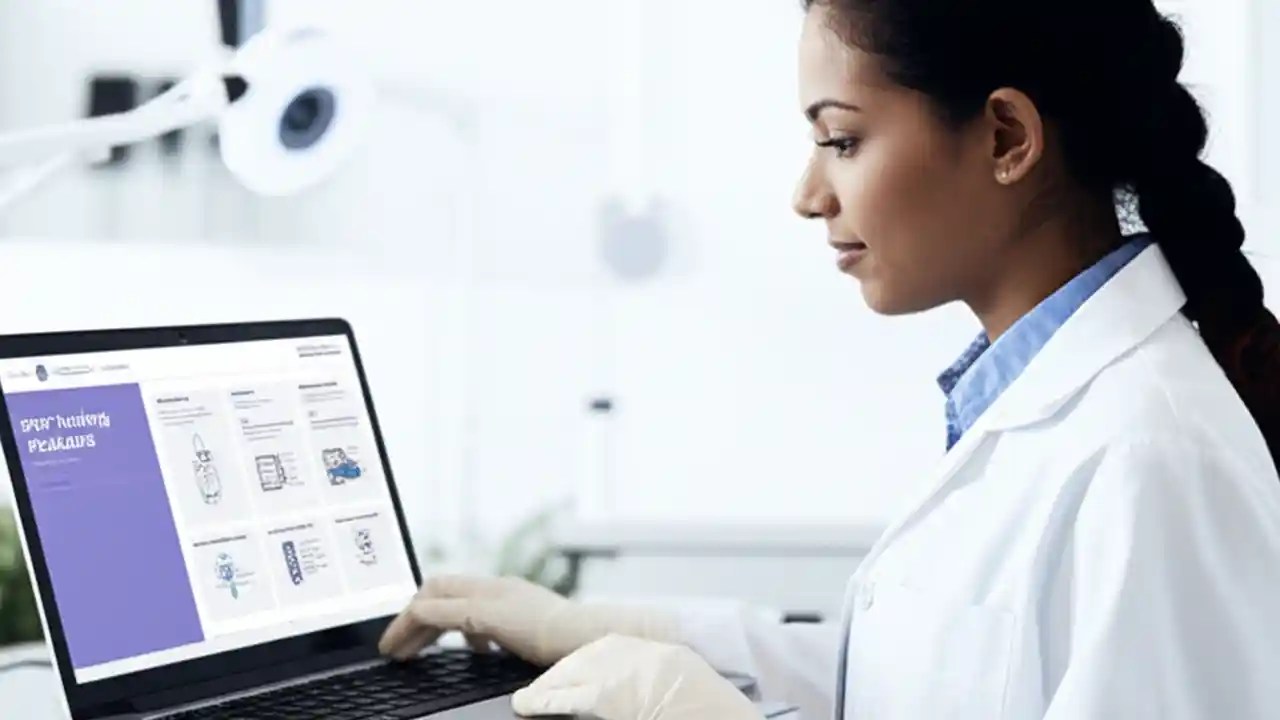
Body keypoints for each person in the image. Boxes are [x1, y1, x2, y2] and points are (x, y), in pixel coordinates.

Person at [379, 1, 1280, 717]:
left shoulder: (1153, 458)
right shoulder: (1040, 407)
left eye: (841, 139)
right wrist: (599, 628)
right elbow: (905, 682)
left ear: (1007, 138)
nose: (808, 195)